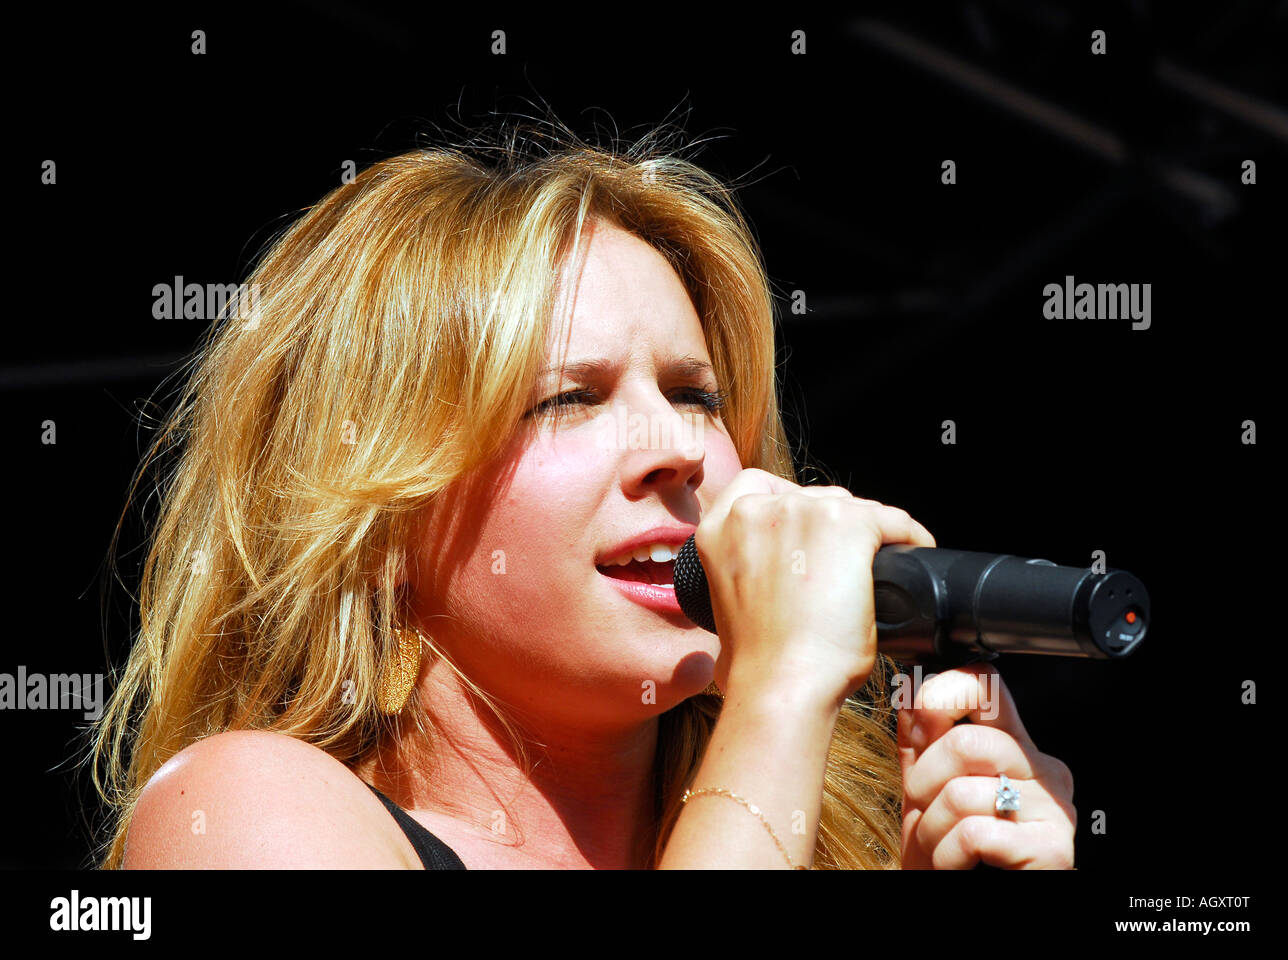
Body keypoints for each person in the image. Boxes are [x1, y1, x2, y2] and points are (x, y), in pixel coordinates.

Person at [89, 120, 1076, 869]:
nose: (678, 452)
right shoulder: (247, 811)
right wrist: (777, 699)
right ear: (379, 520)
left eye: (696, 396)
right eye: (568, 399)